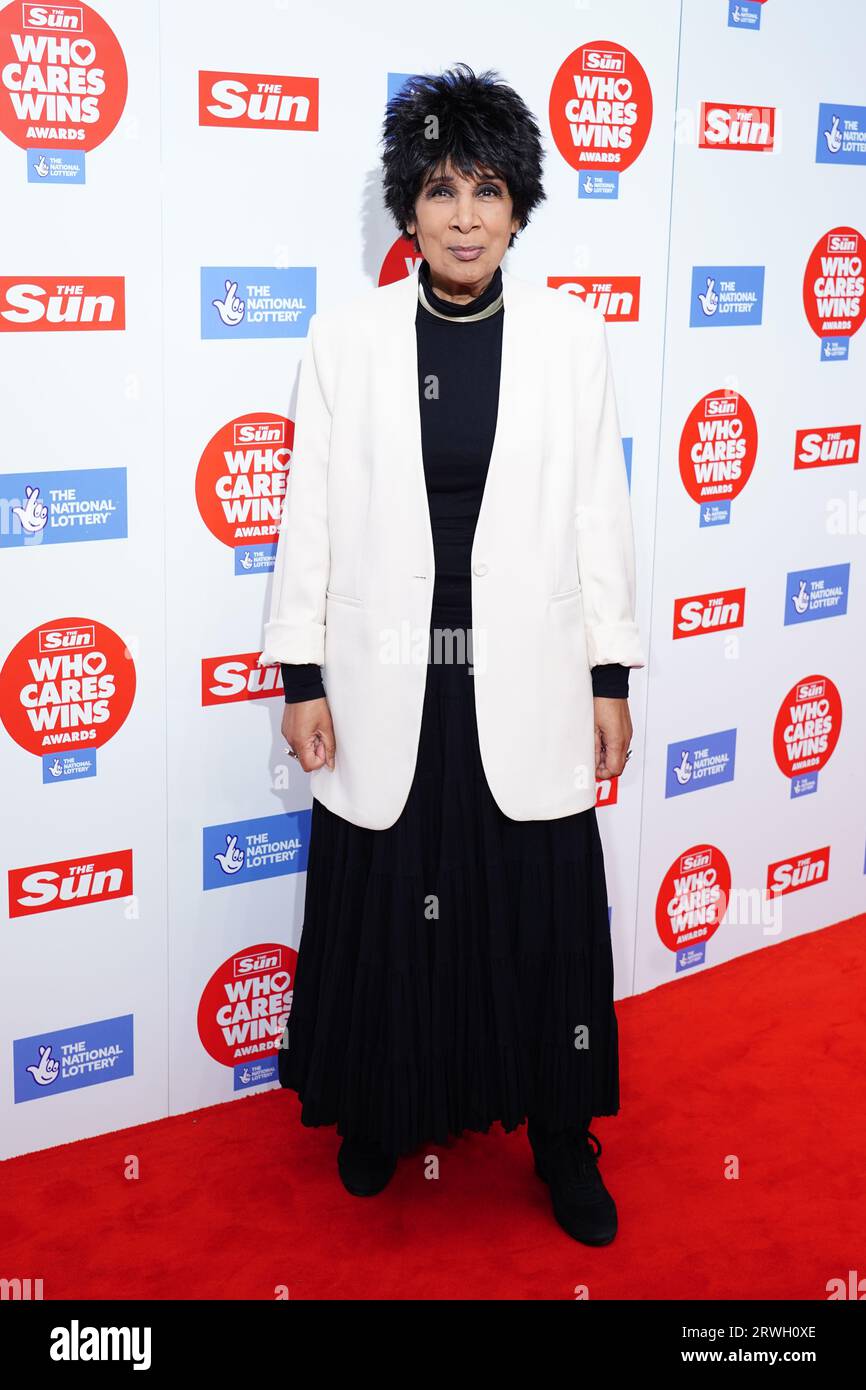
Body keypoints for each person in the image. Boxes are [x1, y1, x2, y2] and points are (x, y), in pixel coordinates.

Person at [258, 63, 646, 1246]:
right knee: (387, 907)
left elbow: (597, 513)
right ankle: (381, 1103)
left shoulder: (572, 339)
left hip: (522, 678)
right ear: (406, 206)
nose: (464, 214)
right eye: (438, 188)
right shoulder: (348, 337)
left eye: (485, 188)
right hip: (390, 685)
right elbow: (308, 512)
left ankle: (560, 1134)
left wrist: (609, 674)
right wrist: (302, 674)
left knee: (539, 917)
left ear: (519, 203)